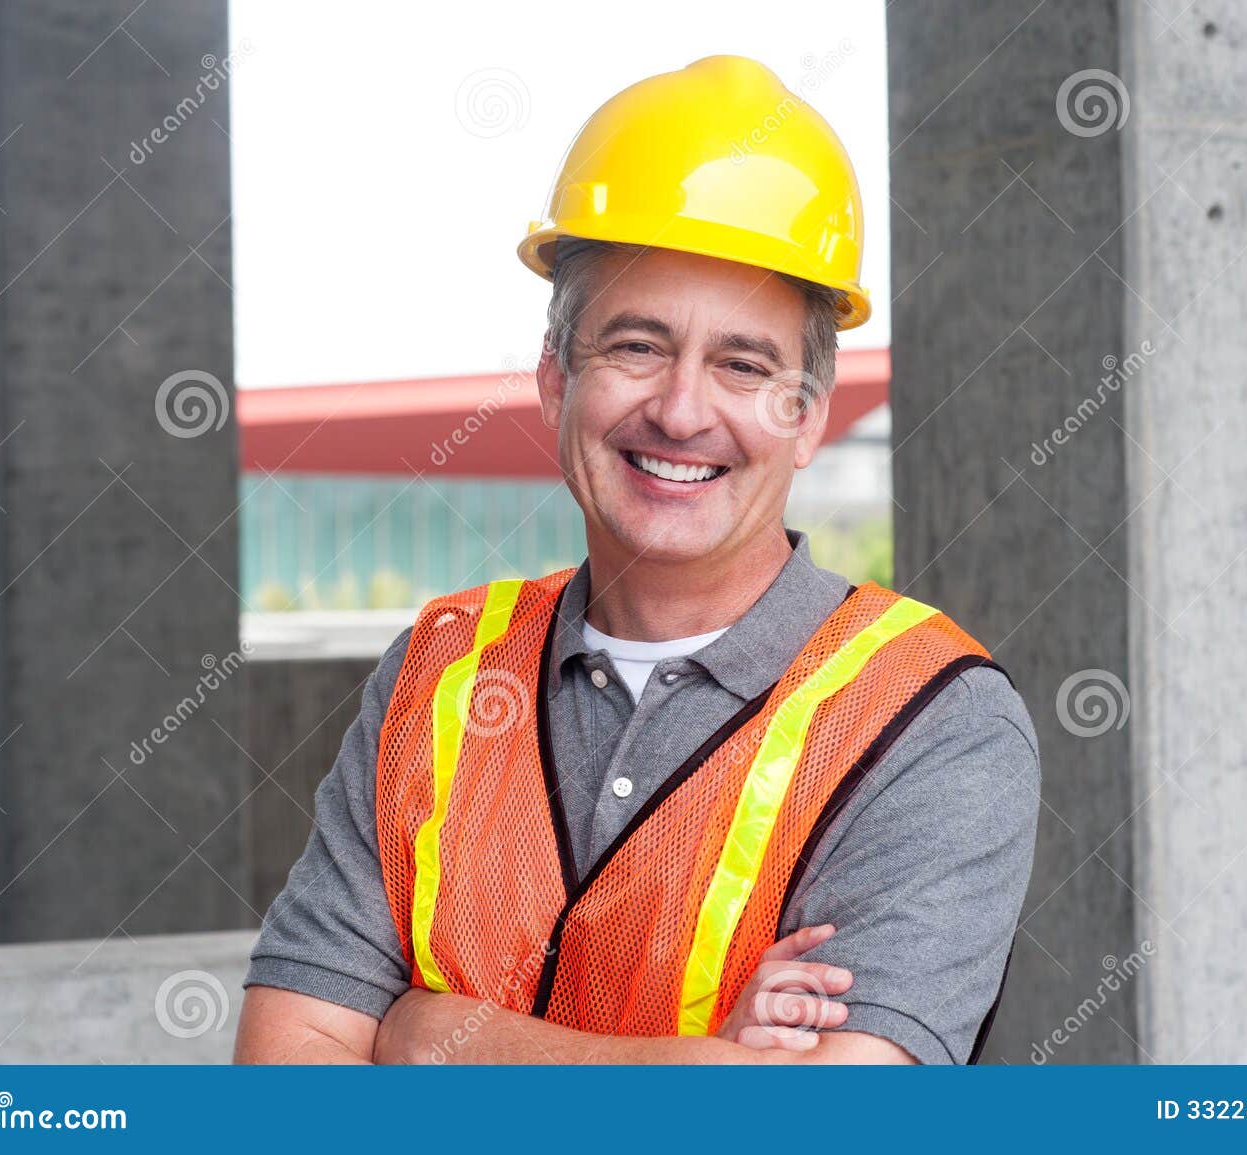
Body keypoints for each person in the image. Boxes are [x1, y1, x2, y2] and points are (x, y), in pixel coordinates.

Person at [235, 55, 1039, 1065]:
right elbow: (282, 1073)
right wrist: (678, 1066)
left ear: (805, 419)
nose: (681, 410)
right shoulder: (438, 674)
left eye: (742, 365)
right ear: (553, 382)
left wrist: (428, 1033)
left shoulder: (926, 719)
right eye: (635, 347)